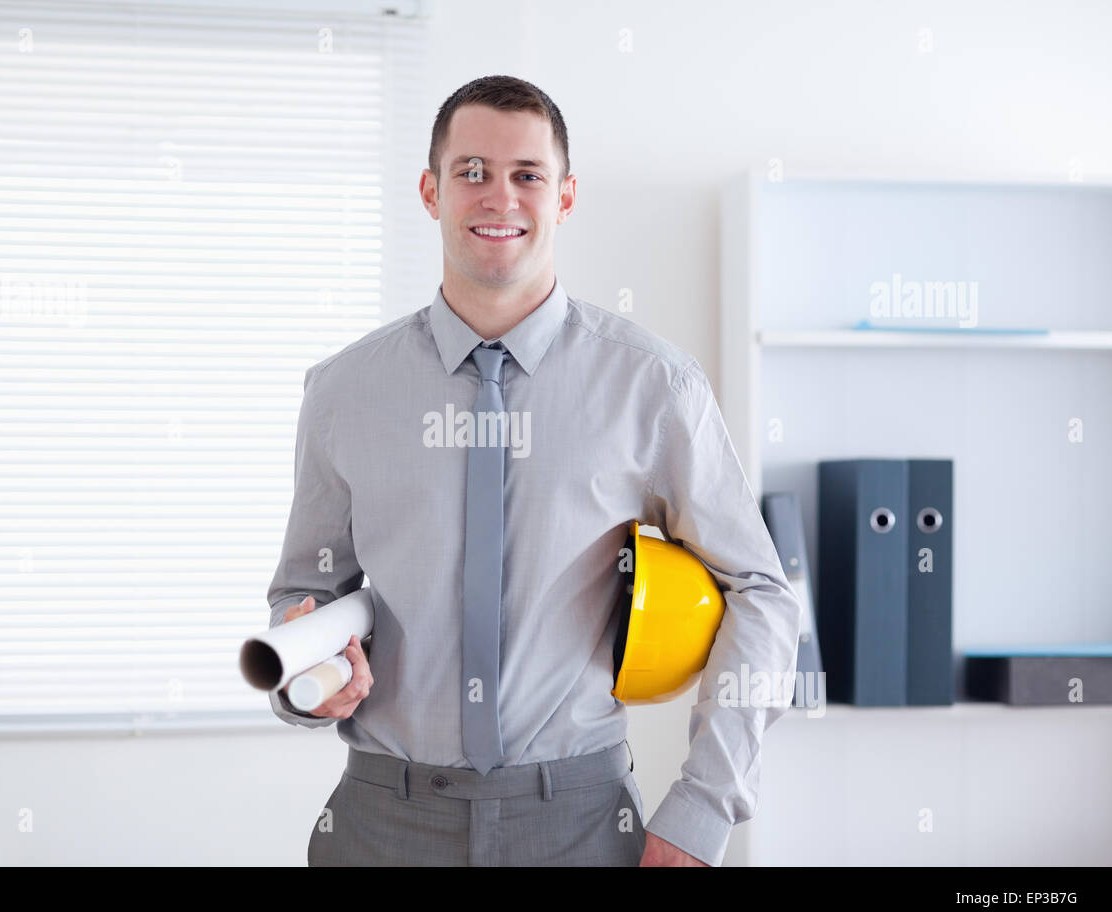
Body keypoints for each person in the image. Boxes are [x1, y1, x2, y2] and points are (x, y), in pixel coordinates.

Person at [267, 74, 801, 867]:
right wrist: (306, 684)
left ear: (566, 196)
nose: (499, 198)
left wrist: (703, 808)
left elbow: (761, 593)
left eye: (528, 175)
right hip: (381, 822)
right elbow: (304, 590)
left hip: (580, 824)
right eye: (471, 171)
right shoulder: (344, 391)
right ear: (430, 189)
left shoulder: (652, 386)